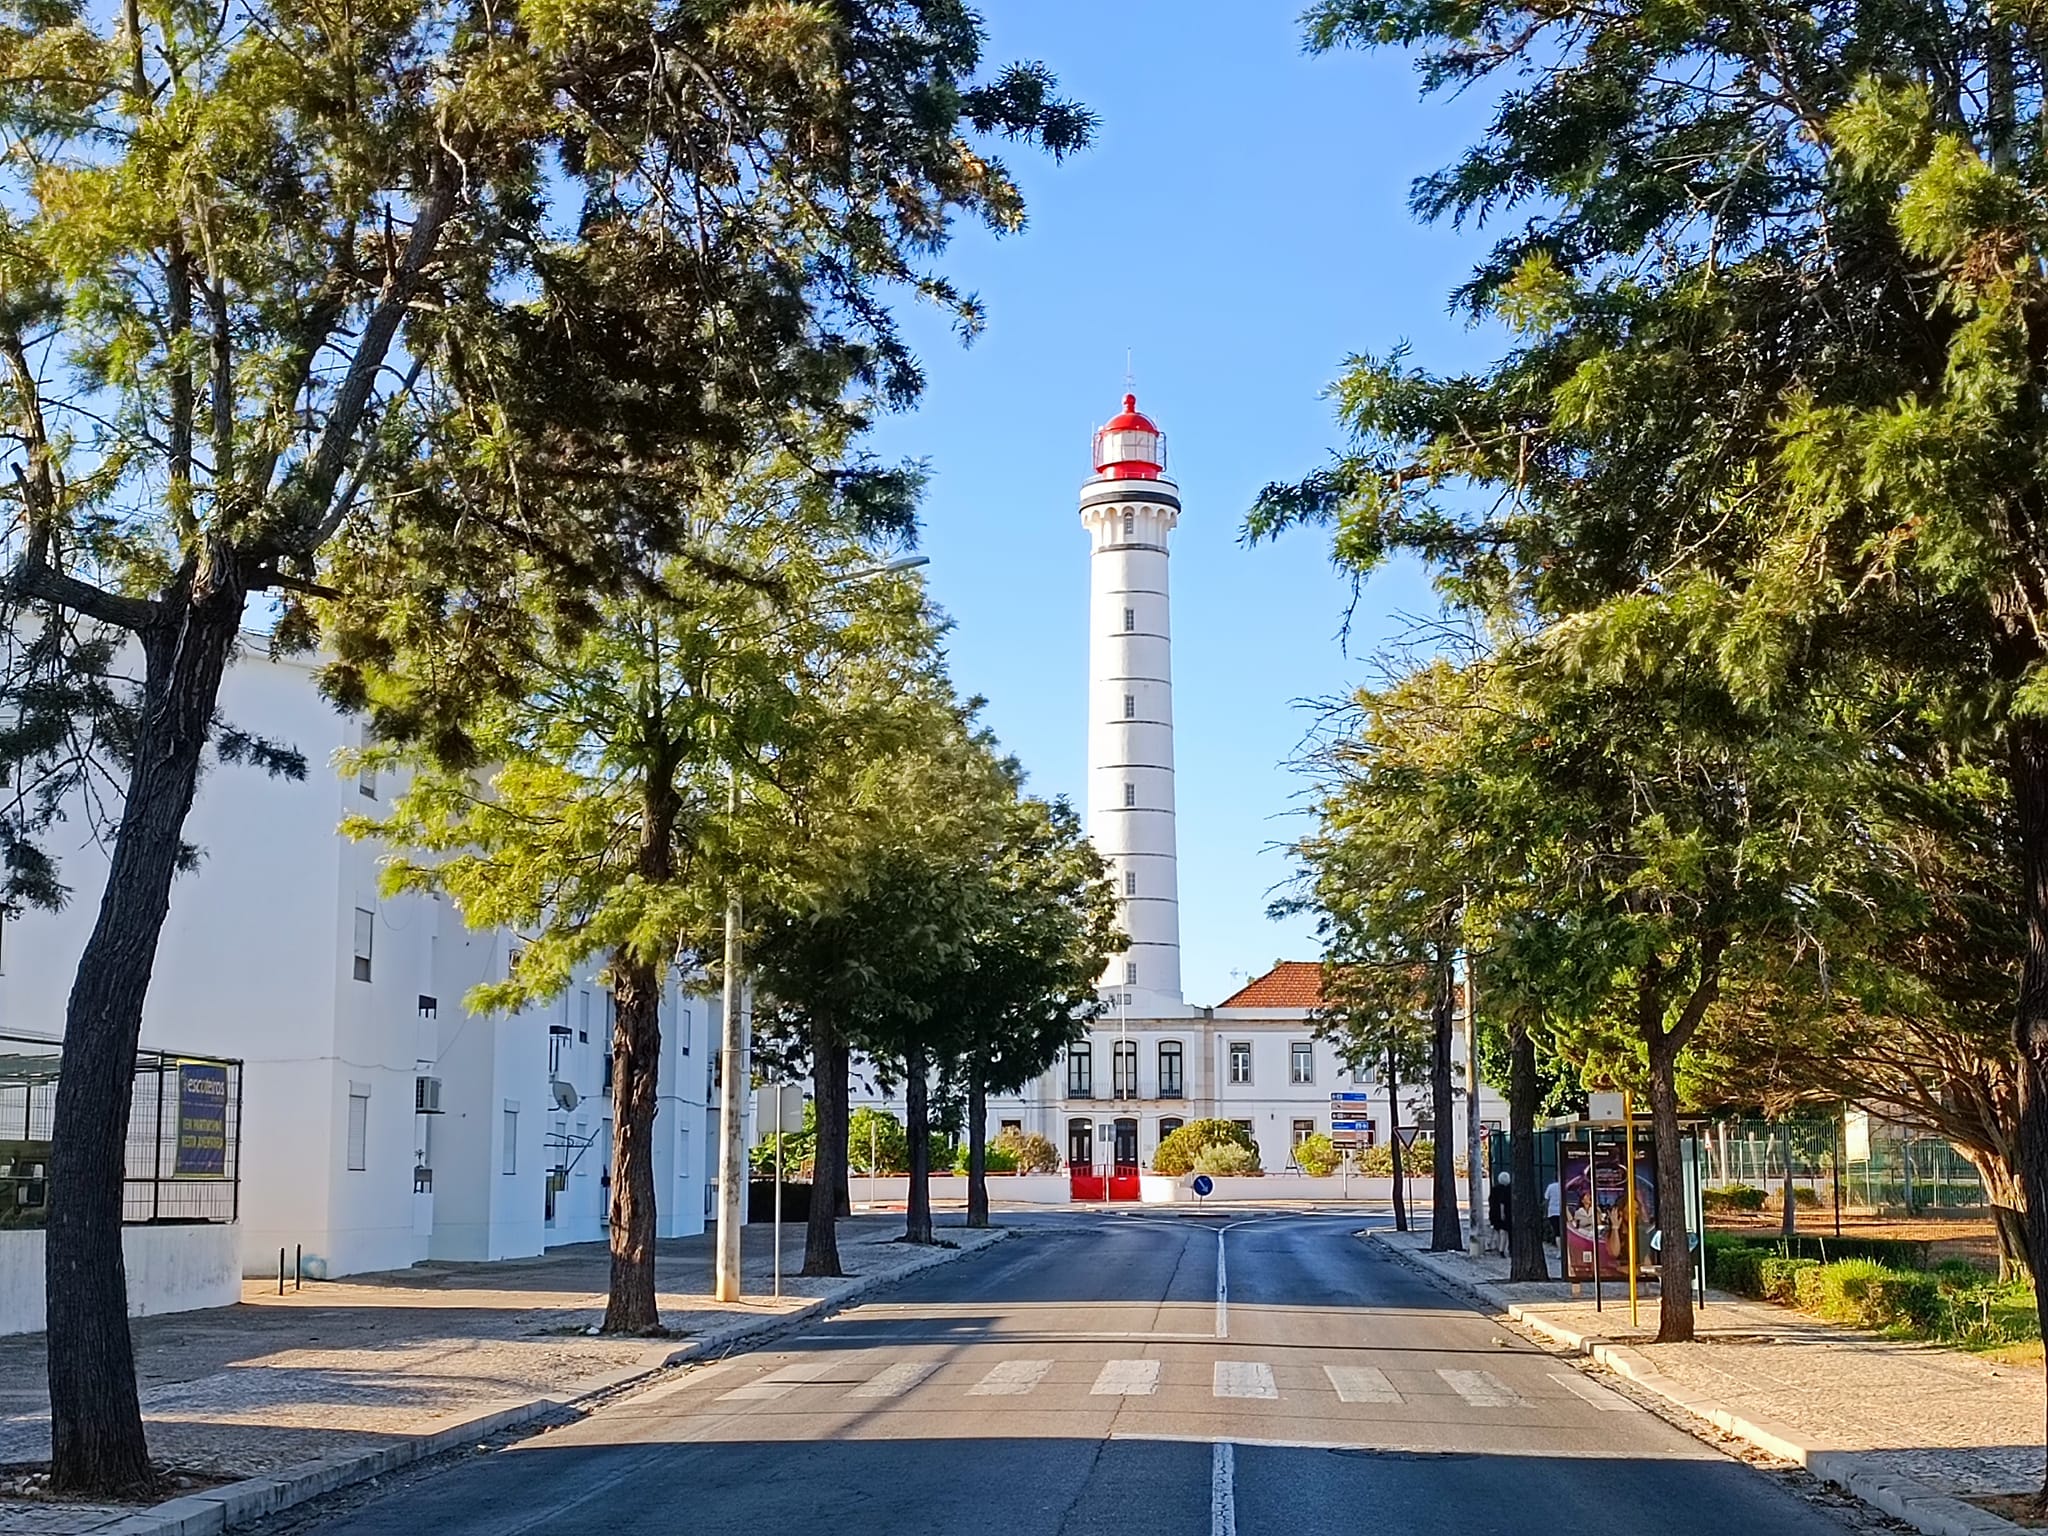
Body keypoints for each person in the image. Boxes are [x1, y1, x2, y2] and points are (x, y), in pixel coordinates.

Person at [1488, 1171, 1512, 1256]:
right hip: (1505, 1213)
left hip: (1494, 1212)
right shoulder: (1508, 1190)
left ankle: (1496, 1246)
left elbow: (1490, 1201)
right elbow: (1503, 1202)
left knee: (1497, 1230)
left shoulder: (1494, 1189)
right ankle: (1503, 1249)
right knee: (1505, 1232)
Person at [1545, 1177, 1562, 1245]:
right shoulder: (1564, 1186)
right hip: (1562, 1212)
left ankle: (1559, 1250)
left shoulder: (1550, 1186)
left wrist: (1546, 1212)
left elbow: (1546, 1199)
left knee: (1557, 1232)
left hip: (1552, 1212)